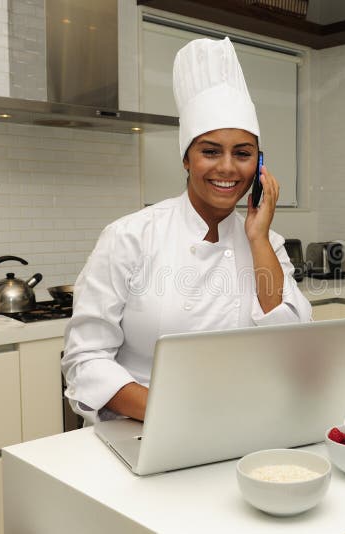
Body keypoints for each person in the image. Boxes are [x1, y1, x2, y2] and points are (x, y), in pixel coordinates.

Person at [61, 37, 312, 425]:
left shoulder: (268, 244)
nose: (227, 167)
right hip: (142, 426)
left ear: (259, 165)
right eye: (210, 151)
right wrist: (174, 411)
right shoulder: (130, 236)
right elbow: (85, 359)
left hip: (242, 421)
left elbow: (292, 346)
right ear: (186, 159)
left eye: (243, 153)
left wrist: (259, 238)